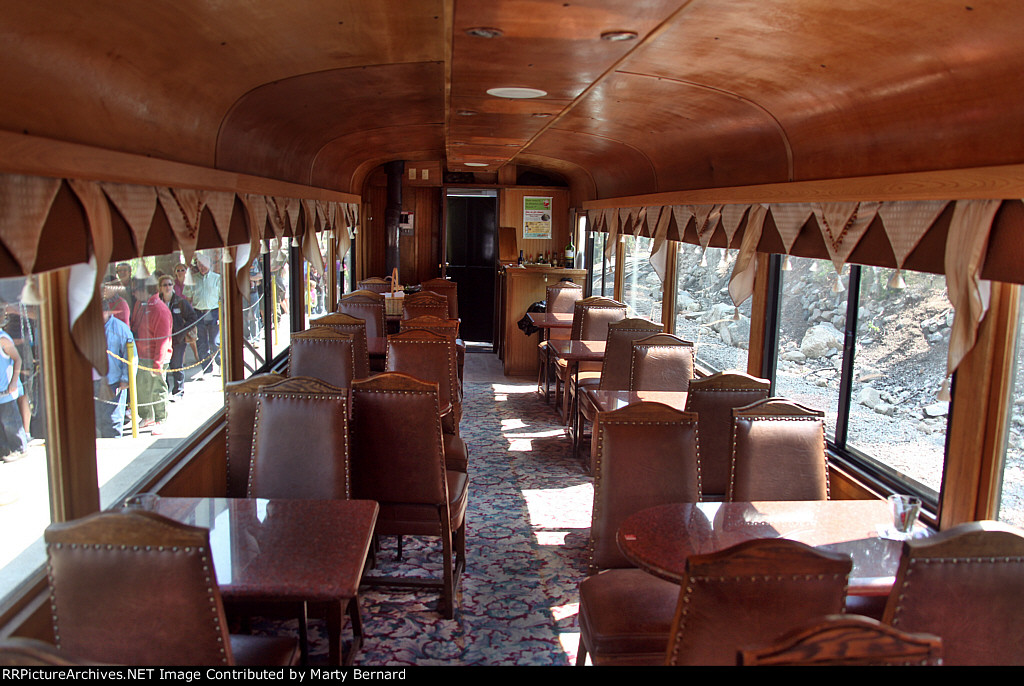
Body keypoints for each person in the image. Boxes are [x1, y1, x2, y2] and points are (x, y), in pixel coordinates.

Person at [133, 280, 172, 434]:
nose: (134, 292)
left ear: (145, 290)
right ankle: (147, 415)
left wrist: (158, 363)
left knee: (158, 388)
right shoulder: (140, 305)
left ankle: (161, 418)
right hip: (142, 355)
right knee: (142, 388)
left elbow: (163, 339)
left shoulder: (159, 309)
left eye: (136, 289)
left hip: (157, 357)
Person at [95, 298, 136, 438]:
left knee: (112, 421)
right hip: (93, 381)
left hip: (113, 383)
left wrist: (126, 379)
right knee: (95, 421)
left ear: (106, 312)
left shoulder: (120, 329)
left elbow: (131, 356)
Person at [157, 274, 197, 399]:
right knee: (165, 365)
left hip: (178, 340)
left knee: (177, 364)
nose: (168, 287)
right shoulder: (157, 302)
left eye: (170, 284)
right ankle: (166, 391)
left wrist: (182, 332)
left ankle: (178, 391)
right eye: (165, 285)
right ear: (160, 288)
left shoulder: (180, 302)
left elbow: (192, 318)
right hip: (163, 340)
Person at [187, 252, 222, 378]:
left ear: (210, 264)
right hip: (198, 313)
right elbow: (188, 296)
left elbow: (222, 297)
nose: (202, 267)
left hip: (213, 312)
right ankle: (207, 369)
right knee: (201, 342)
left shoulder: (217, 278)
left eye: (204, 265)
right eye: (199, 265)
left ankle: (220, 366)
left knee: (215, 341)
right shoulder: (193, 279)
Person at [0, 328, 28, 461]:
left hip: (6, 390)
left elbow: (17, 359)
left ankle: (20, 448)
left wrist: (13, 382)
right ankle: (4, 450)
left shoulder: (3, 339)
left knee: (10, 421)